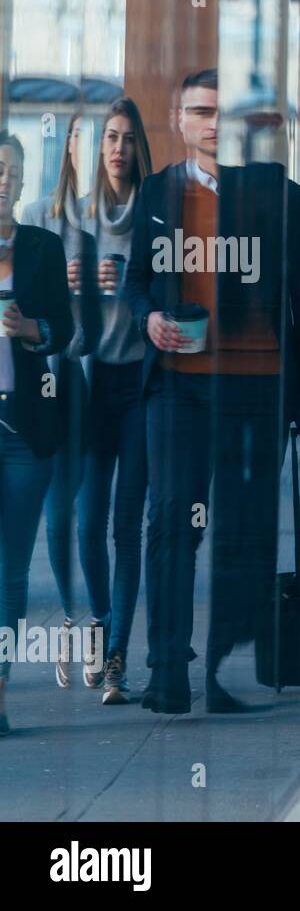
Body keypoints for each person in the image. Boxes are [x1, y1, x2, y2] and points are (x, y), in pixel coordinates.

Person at [124, 68, 300, 715]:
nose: (210, 124)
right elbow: (134, 282)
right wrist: (147, 318)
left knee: (240, 533)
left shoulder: (278, 196)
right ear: (179, 121)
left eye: (220, 113)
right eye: (199, 112)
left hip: (253, 390)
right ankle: (166, 670)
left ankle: (219, 667)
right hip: (177, 388)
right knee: (170, 523)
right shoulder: (156, 193)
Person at [19, 113, 103, 691]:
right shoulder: (32, 224)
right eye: (81, 136)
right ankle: (73, 623)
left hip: (91, 390)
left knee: (88, 522)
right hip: (42, 396)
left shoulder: (103, 228)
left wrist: (86, 296)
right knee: (55, 523)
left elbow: (89, 336)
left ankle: (96, 629)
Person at [0, 130, 76, 735]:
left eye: (11, 171)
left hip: (25, 430)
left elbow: (67, 331)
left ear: (23, 183)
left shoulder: (43, 249)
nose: (2, 179)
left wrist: (31, 328)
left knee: (10, 569)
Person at [79, 99, 153, 705]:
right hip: (92, 382)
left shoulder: (155, 215)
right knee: (86, 525)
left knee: (126, 525)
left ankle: (117, 662)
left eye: (127, 138)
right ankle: (102, 626)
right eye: (110, 137)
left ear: (139, 148)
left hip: (141, 388)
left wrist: (128, 281)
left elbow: (172, 284)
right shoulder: (79, 219)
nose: (118, 148)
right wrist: (71, 282)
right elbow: (59, 318)